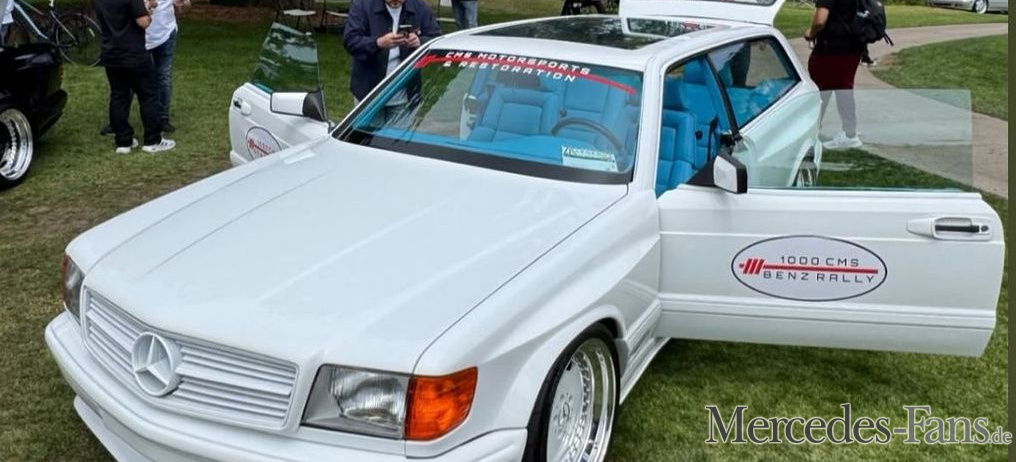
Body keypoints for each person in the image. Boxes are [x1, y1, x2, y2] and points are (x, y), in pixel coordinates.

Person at [92, 0, 174, 153]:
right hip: (133, 53)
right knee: (148, 96)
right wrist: (148, 11)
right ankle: (152, 140)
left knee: (118, 96)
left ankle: (123, 141)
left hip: (111, 53)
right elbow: (143, 22)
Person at [342, 0, 441, 113]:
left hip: (405, 96)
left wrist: (420, 41)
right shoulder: (362, 5)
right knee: (367, 125)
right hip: (368, 94)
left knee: (401, 125)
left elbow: (437, 38)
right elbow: (350, 41)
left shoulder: (419, 7)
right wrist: (378, 43)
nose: (395, 1)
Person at [804, 0, 865, 150]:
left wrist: (810, 32)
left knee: (821, 90)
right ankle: (849, 131)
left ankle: (845, 134)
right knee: (843, 87)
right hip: (854, 45)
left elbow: (820, 20)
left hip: (833, 48)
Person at [145, 0, 188, 133]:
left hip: (166, 33)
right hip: (138, 35)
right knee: (130, 78)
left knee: (163, 77)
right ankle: (119, 121)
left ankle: (162, 118)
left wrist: (182, 5)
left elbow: (184, 5)